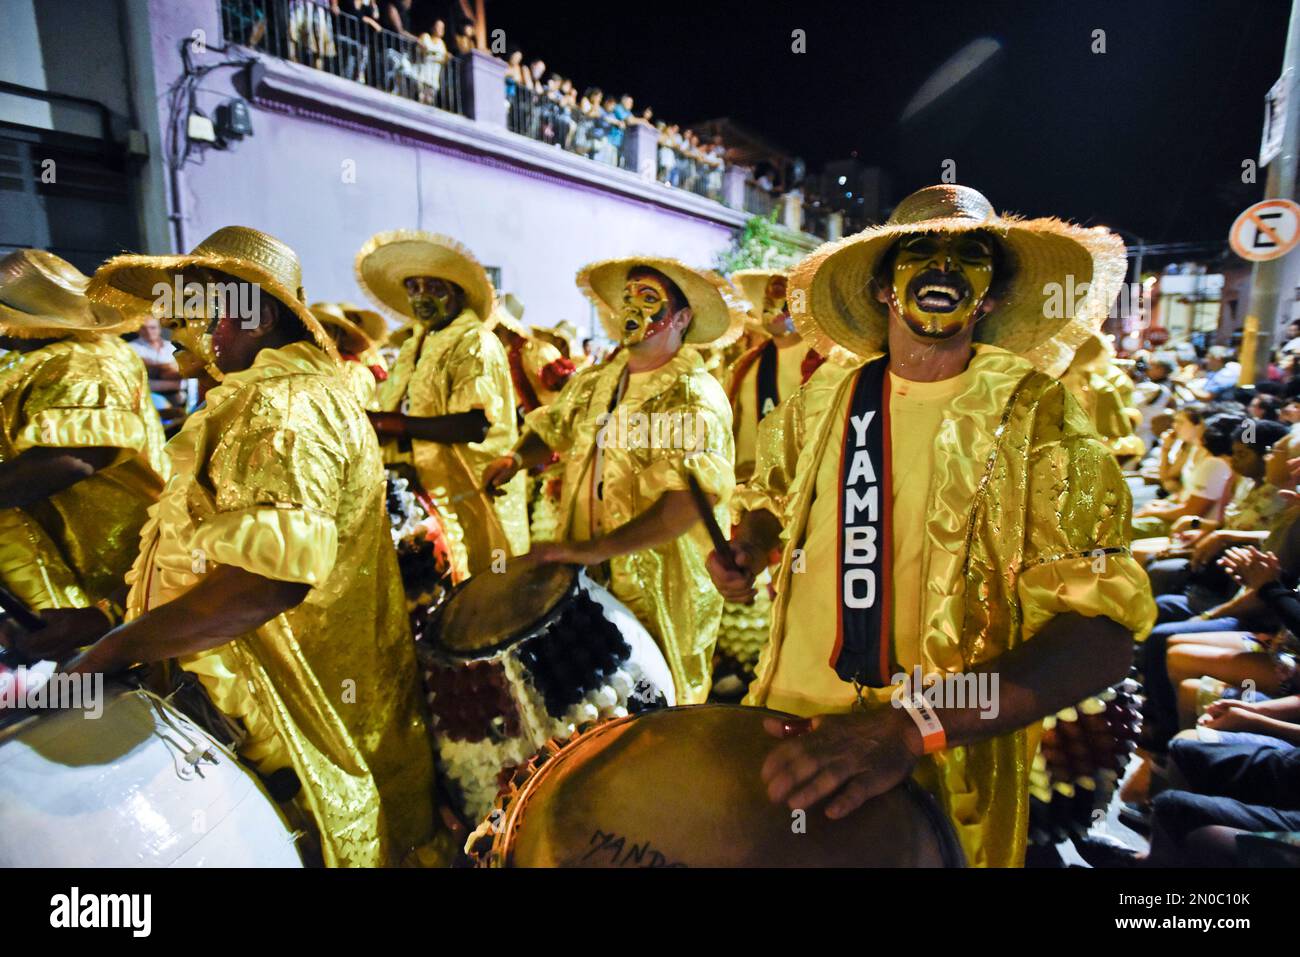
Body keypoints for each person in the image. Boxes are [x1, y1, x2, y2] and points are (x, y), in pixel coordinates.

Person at [707, 185, 1155, 867]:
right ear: (885, 286)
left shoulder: (1039, 418)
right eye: (921, 250)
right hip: (789, 735)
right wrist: (753, 546)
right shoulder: (824, 394)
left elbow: (1101, 637)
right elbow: (773, 497)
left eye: (969, 256)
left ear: (992, 296)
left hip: (940, 770)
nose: (943, 269)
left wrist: (908, 728)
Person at [64, 226, 450, 868]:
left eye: (205, 311)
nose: (194, 332)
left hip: (274, 703)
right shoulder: (296, 393)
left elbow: (268, 581)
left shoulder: (283, 407)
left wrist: (115, 649)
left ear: (258, 314)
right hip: (296, 674)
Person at [483, 257, 737, 704]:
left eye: (649, 299)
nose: (632, 309)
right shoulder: (598, 380)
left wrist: (593, 549)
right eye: (628, 298)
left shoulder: (693, 395)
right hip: (586, 568)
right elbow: (555, 428)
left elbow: (685, 504)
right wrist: (516, 458)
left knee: (656, 698)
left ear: (681, 318)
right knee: (592, 692)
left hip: (657, 585)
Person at [0, 247, 167, 645]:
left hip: (116, 573)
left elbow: (72, 460)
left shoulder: (86, 361)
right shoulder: (40, 359)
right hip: (69, 577)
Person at [358, 230, 529, 579]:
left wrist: (394, 425)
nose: (421, 297)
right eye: (413, 288)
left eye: (433, 288)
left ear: (457, 294)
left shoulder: (476, 342)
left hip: (470, 493)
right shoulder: (415, 345)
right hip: (420, 491)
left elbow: (474, 425)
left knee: (484, 589)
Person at [129, 316, 185, 410]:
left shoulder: (171, 346)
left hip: (180, 396)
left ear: (159, 328)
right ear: (138, 329)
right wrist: (169, 369)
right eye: (143, 328)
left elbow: (182, 372)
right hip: (149, 399)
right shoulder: (131, 348)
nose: (148, 331)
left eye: (152, 327)